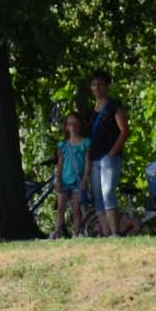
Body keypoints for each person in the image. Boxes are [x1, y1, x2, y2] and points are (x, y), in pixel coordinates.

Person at [85, 73, 129, 236]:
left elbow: (124, 131)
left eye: (100, 84)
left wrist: (112, 153)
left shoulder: (114, 106)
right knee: (97, 196)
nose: (97, 87)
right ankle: (106, 232)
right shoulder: (90, 111)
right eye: (94, 84)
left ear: (107, 86)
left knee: (107, 192)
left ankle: (115, 232)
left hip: (109, 157)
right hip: (94, 158)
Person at [54, 113, 90, 237]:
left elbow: (87, 162)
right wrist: (57, 180)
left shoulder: (86, 143)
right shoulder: (62, 145)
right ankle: (57, 233)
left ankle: (77, 234)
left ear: (79, 125)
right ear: (66, 127)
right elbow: (60, 164)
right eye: (69, 123)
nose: (72, 126)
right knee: (60, 209)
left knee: (76, 210)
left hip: (78, 181)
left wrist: (85, 178)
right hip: (64, 180)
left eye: (75, 123)